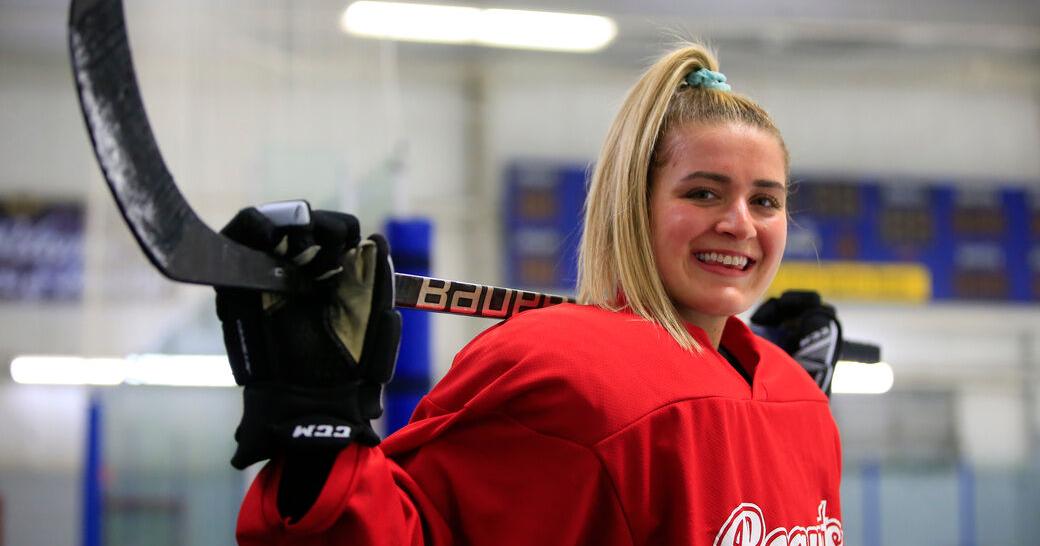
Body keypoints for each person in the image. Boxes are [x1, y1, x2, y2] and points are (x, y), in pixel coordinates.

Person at [215, 42, 845, 546]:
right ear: (634, 207)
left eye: (766, 200)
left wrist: (766, 408)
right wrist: (317, 435)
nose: (740, 222)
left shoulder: (798, 398)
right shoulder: (568, 377)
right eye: (702, 193)